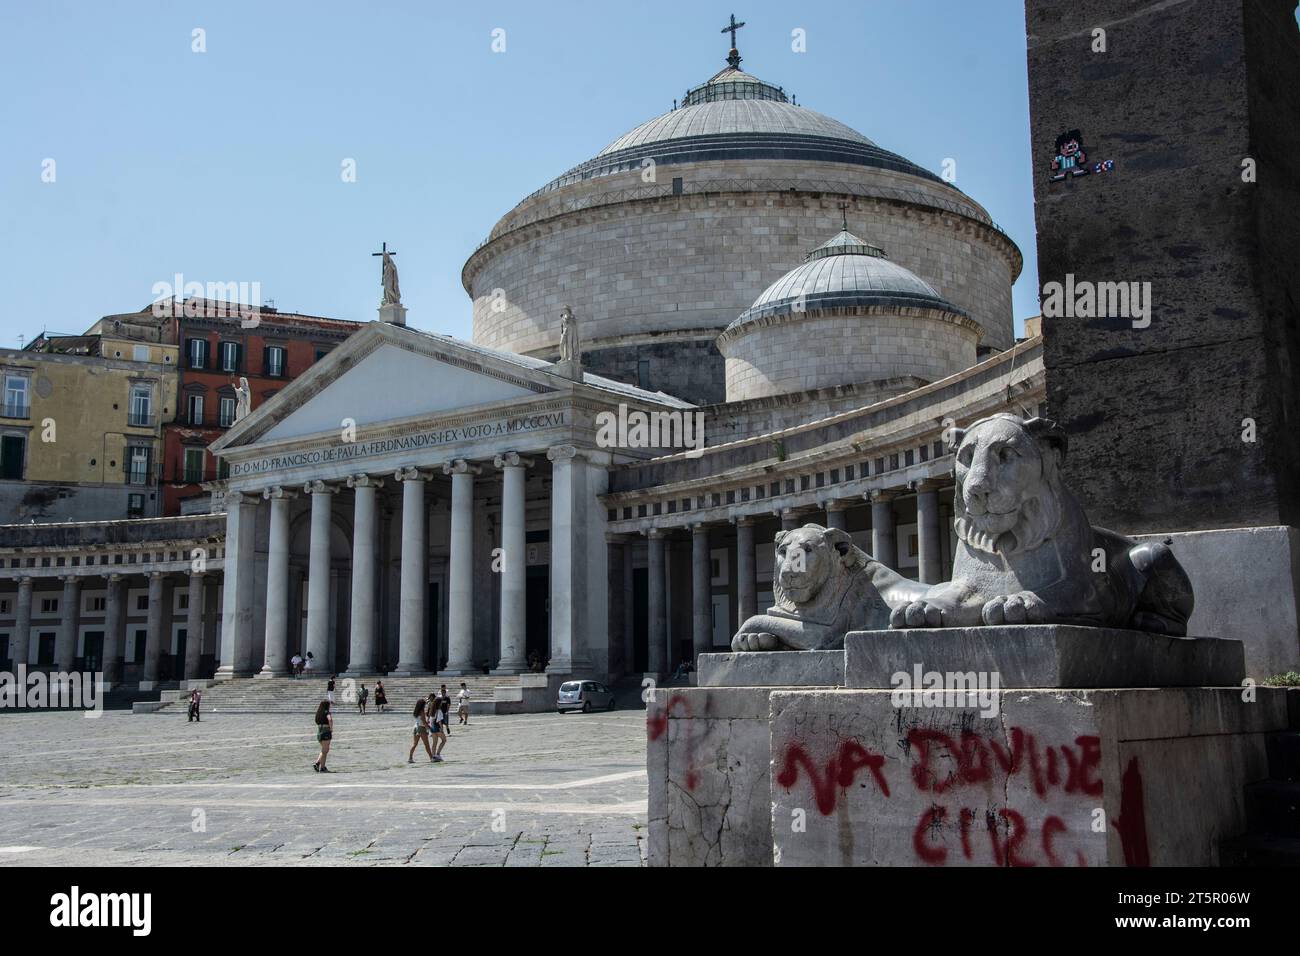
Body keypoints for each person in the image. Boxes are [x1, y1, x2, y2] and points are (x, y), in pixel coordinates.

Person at [408, 698, 434, 763]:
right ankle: (431, 758)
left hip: (416, 727)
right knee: (426, 744)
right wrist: (429, 728)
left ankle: (410, 758)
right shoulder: (421, 711)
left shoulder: (416, 711)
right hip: (421, 728)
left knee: (414, 744)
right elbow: (424, 722)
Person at [313, 701, 333, 772]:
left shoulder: (318, 713)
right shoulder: (327, 712)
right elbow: (330, 719)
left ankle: (318, 764)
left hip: (319, 732)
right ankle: (322, 767)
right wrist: (331, 729)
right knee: (325, 750)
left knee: (324, 750)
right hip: (326, 731)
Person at [426, 694, 446, 762]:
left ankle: (433, 756)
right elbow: (439, 721)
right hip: (437, 728)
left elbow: (431, 720)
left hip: (432, 728)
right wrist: (442, 730)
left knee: (434, 743)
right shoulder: (439, 711)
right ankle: (438, 754)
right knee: (444, 740)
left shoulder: (432, 710)